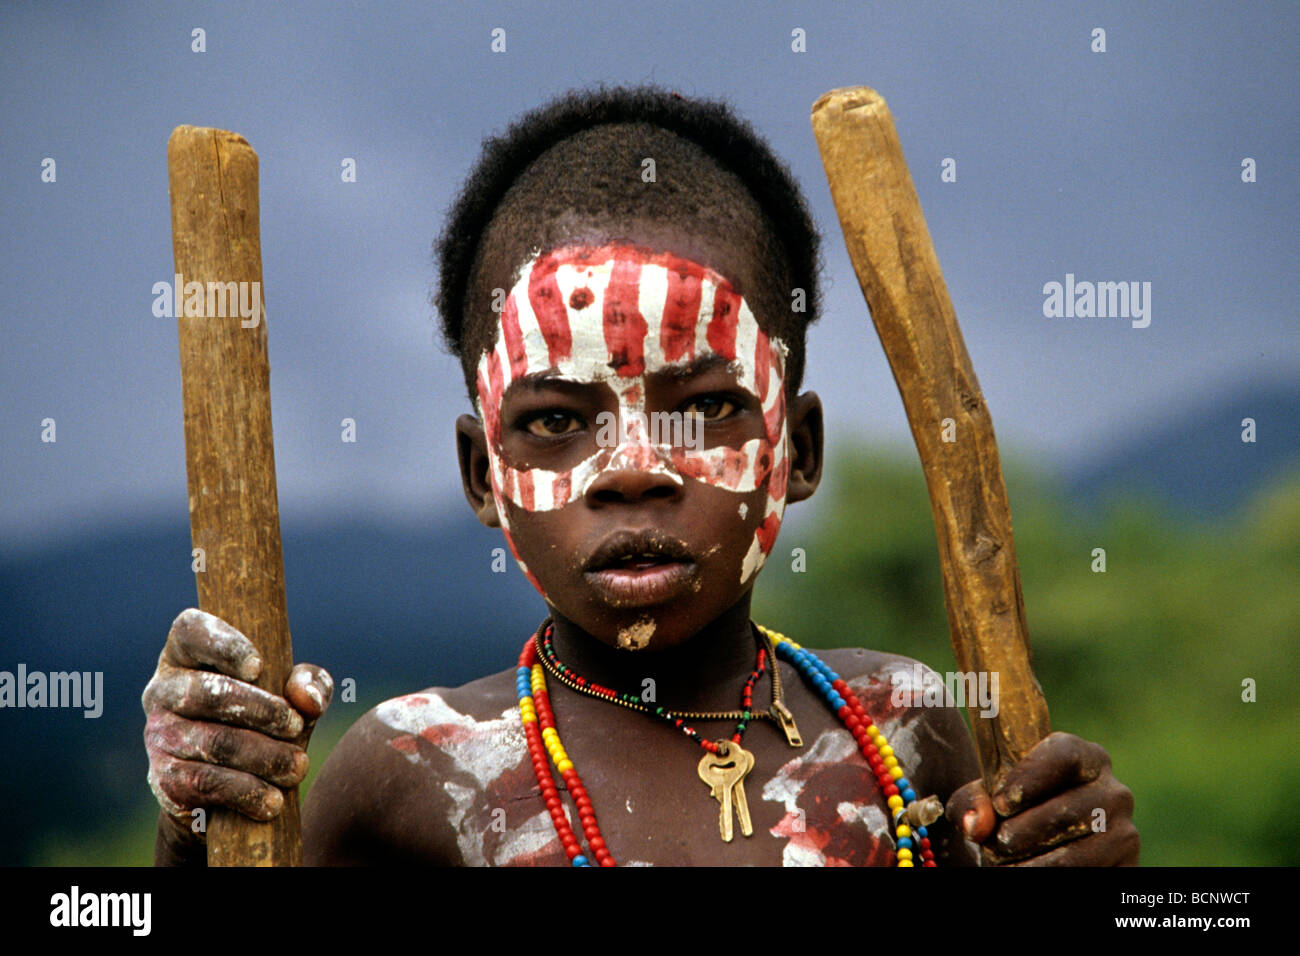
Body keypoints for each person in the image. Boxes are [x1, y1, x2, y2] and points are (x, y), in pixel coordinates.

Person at [143, 86, 1138, 866]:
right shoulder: (411, 771)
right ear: (482, 473)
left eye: (702, 408)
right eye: (555, 421)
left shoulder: (905, 726)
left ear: (797, 450)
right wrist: (199, 815)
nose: (631, 470)